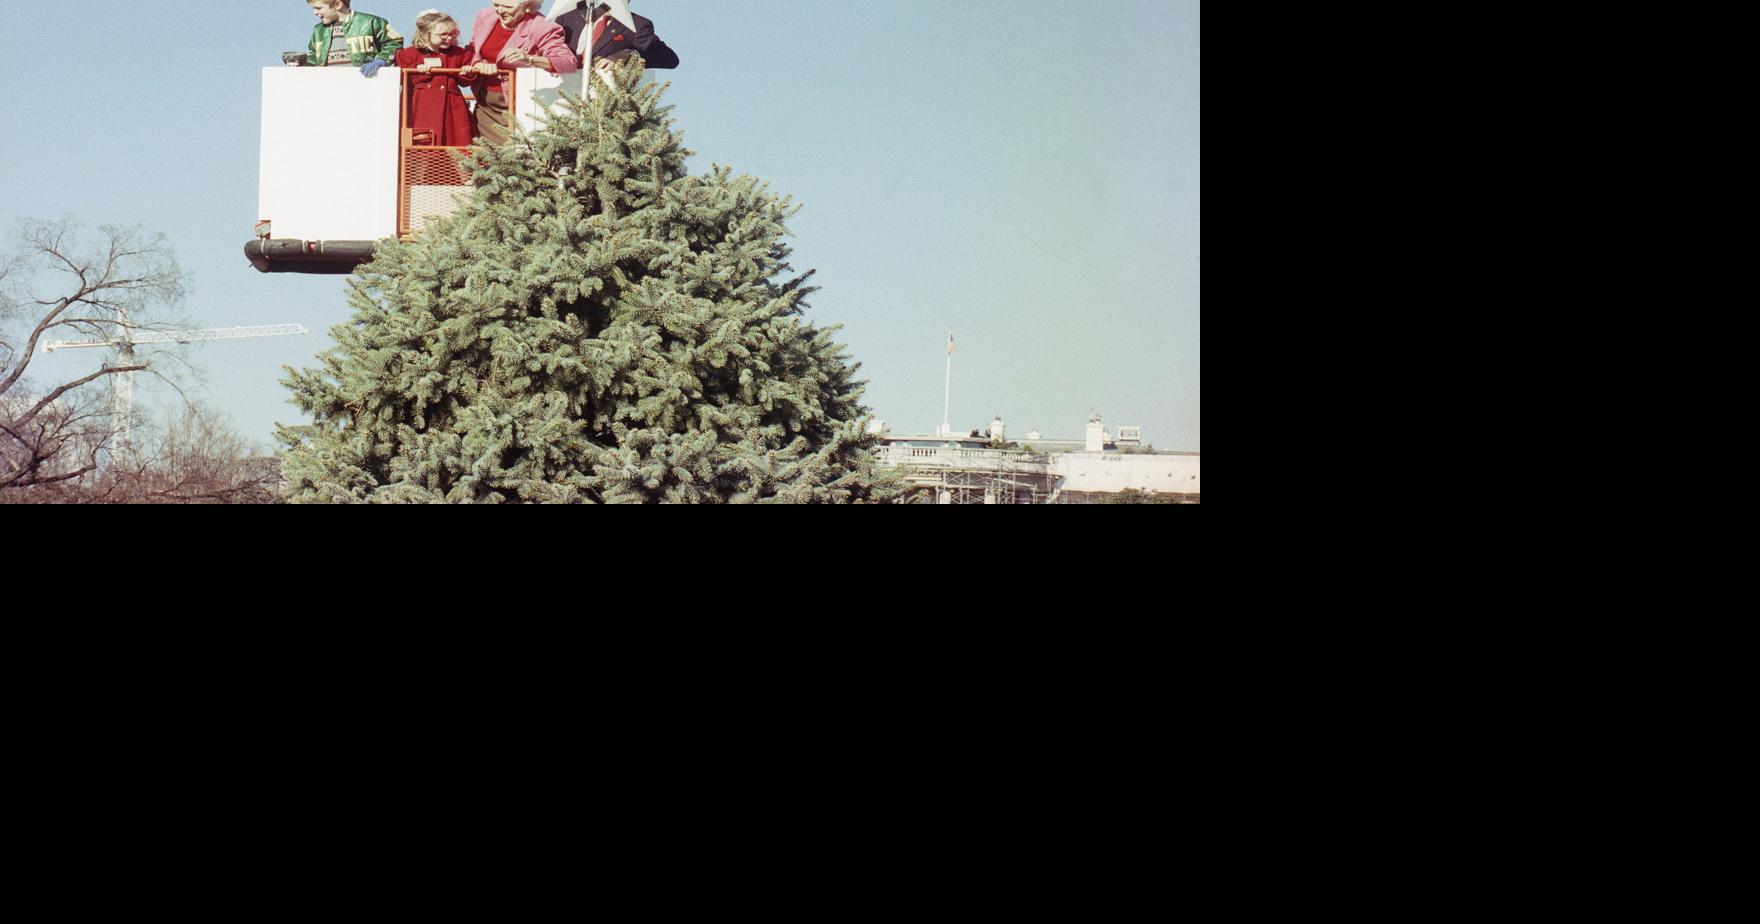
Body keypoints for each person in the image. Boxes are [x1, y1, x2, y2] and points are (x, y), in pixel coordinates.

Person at [467, 0, 580, 145]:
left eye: (508, 7)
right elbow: (472, 48)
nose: (500, 11)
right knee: (483, 155)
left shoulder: (542, 27)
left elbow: (568, 62)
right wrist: (478, 63)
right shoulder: (485, 16)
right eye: (496, 4)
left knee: (511, 158)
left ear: (527, 6)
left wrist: (530, 59)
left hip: (518, 104)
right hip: (485, 102)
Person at [394, 11, 478, 146]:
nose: (449, 38)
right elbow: (400, 77)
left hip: (452, 108)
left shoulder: (458, 54)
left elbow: (465, 79)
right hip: (420, 106)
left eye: (453, 33)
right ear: (426, 33)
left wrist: (467, 72)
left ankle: (453, 168)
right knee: (422, 143)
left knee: (456, 142)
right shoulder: (409, 54)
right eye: (443, 34)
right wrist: (415, 72)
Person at [548, 1, 678, 72]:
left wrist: (629, 55)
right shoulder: (567, 16)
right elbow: (548, 47)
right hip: (561, 93)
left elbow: (669, 59)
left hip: (601, 103)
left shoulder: (637, 25)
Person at [303, 0, 405, 77]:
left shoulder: (371, 22)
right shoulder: (318, 30)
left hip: (363, 82)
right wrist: (302, 63)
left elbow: (395, 42)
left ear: (338, 4)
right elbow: (313, 55)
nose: (314, 12)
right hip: (330, 84)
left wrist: (381, 60)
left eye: (318, 8)